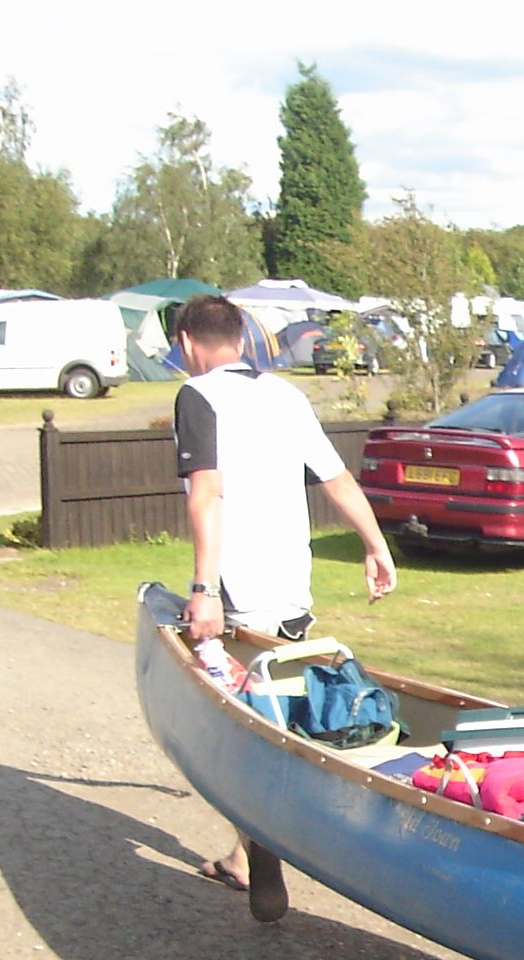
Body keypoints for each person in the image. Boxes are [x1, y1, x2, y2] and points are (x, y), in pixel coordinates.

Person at [172, 294, 399, 921]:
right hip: (293, 590)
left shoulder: (198, 396)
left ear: (187, 341)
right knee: (271, 718)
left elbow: (206, 494)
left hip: (237, 592)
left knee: (234, 729)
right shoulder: (286, 395)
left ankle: (262, 841)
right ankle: (245, 854)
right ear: (242, 338)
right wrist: (376, 546)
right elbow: (336, 479)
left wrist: (203, 589)